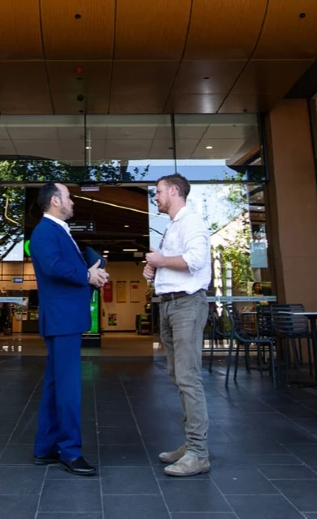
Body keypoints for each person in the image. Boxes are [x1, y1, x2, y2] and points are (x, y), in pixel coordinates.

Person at [29, 182, 108, 476]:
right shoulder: (45, 232)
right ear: (55, 201)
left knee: (55, 385)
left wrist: (93, 273)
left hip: (64, 319)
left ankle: (45, 448)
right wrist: (87, 275)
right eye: (69, 197)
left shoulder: (57, 230)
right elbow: (53, 266)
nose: (72, 201)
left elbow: (62, 267)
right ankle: (70, 452)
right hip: (62, 321)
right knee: (68, 389)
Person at [143, 172, 212, 477]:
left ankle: (198, 452)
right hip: (170, 304)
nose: (155, 197)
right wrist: (155, 270)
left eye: (158, 191)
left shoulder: (191, 222)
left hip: (186, 305)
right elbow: (174, 261)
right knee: (178, 375)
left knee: (188, 377)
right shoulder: (173, 226)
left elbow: (195, 260)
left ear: (173, 191)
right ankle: (191, 445)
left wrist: (161, 262)